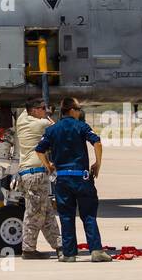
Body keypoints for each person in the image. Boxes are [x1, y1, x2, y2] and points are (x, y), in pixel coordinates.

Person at [35, 97, 110, 262]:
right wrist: (97, 163)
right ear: (71, 110)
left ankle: (69, 254)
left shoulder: (52, 130)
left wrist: (48, 165)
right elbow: (97, 142)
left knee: (66, 216)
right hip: (81, 178)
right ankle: (96, 251)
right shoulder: (81, 126)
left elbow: (39, 149)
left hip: (62, 180)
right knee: (88, 215)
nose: (79, 112)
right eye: (78, 109)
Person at [14, 99, 61, 259]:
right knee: (34, 213)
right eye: (42, 109)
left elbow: (26, 109)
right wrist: (48, 116)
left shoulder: (21, 120)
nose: (45, 111)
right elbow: (57, 128)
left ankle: (59, 245)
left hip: (28, 173)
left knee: (46, 212)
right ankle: (28, 249)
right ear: (33, 111)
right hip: (36, 173)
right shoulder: (41, 125)